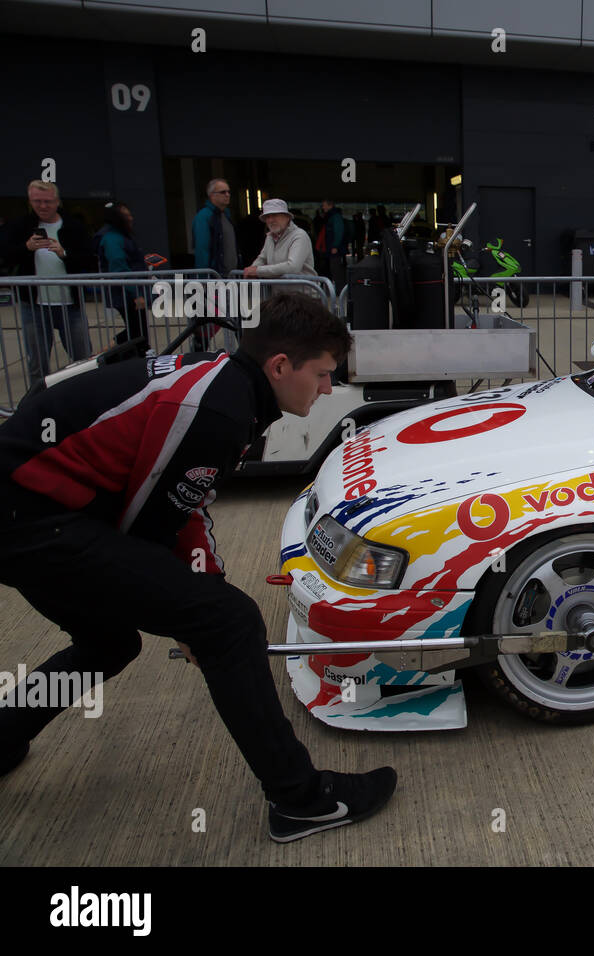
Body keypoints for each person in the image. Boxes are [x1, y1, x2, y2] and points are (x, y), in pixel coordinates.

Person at [0, 293, 397, 843]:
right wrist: (196, 612)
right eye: (324, 375)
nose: (329, 389)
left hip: (34, 510)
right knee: (228, 622)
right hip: (30, 517)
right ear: (280, 366)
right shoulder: (218, 409)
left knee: (111, 643)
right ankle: (301, 801)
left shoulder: (229, 387)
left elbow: (181, 508)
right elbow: (144, 529)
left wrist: (198, 585)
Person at [0, 181, 94, 383]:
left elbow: (89, 259)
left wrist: (64, 253)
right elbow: (6, 256)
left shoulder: (73, 227)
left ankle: (86, 398)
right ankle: (39, 405)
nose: (43, 206)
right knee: (38, 363)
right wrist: (26, 247)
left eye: (48, 202)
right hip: (34, 306)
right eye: (37, 201)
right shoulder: (20, 226)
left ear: (57, 201)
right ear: (30, 201)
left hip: (70, 305)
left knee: (84, 359)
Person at [191, 178, 240, 350]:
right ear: (212, 195)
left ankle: (247, 355)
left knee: (236, 318)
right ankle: (197, 355)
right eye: (223, 192)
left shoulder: (224, 215)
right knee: (210, 321)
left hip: (228, 278)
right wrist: (204, 280)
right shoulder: (204, 217)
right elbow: (203, 250)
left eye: (228, 191)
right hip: (215, 279)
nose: (227, 195)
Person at [94, 201, 149, 346]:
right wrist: (136, 294)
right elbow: (119, 268)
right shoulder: (112, 238)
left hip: (129, 291)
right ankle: (105, 354)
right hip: (126, 293)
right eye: (126, 215)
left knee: (138, 332)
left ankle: (138, 357)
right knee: (136, 333)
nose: (130, 218)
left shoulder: (119, 236)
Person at [242, 199, 316, 278]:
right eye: (267, 217)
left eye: (274, 215)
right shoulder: (270, 237)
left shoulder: (299, 236)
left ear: (287, 217)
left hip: (300, 290)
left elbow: (293, 267)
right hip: (277, 290)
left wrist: (257, 271)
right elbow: (262, 259)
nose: (270, 220)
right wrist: (251, 270)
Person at [316, 200, 347, 293]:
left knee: (336, 270)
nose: (323, 207)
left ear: (330, 206)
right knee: (330, 269)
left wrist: (335, 246)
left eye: (324, 206)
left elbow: (338, 231)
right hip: (329, 248)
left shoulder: (335, 217)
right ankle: (333, 290)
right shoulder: (330, 216)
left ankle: (340, 291)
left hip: (333, 249)